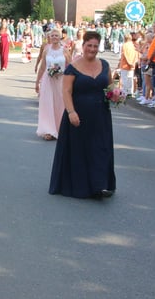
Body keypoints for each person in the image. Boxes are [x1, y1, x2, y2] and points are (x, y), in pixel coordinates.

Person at [49, 30, 116, 199]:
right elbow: (66, 91)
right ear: (83, 45)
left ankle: (100, 185)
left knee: (100, 149)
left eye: (95, 46)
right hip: (78, 114)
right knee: (80, 151)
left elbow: (110, 86)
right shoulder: (73, 67)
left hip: (101, 115)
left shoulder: (105, 65)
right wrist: (71, 112)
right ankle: (81, 185)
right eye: (89, 45)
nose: (92, 49)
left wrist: (116, 94)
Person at [35, 29, 68, 141]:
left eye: (56, 35)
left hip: (61, 81)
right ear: (49, 37)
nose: (54, 37)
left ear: (60, 37)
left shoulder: (65, 51)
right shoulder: (46, 50)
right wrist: (37, 82)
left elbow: (71, 66)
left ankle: (60, 129)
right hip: (48, 81)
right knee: (48, 104)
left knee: (60, 104)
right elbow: (43, 67)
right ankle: (49, 130)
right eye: (52, 35)